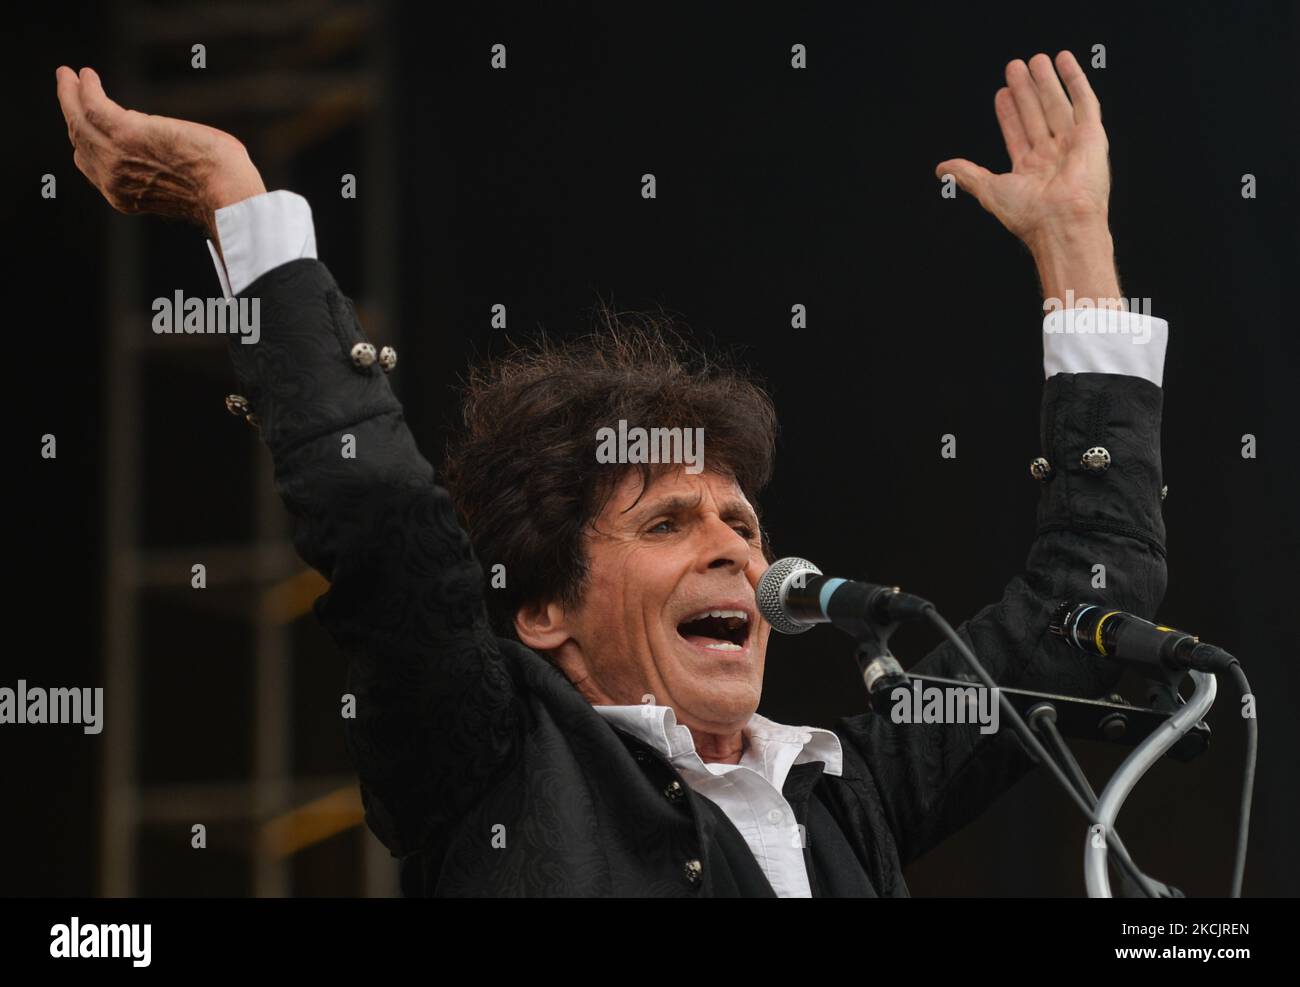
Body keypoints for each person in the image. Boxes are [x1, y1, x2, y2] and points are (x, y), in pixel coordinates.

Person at [56, 50, 1169, 896]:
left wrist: (1076, 249)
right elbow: (378, 512)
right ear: (541, 606)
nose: (735, 546)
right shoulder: (492, 761)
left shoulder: (851, 793)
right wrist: (240, 206)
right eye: (668, 523)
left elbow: (1088, 600)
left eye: (740, 520)